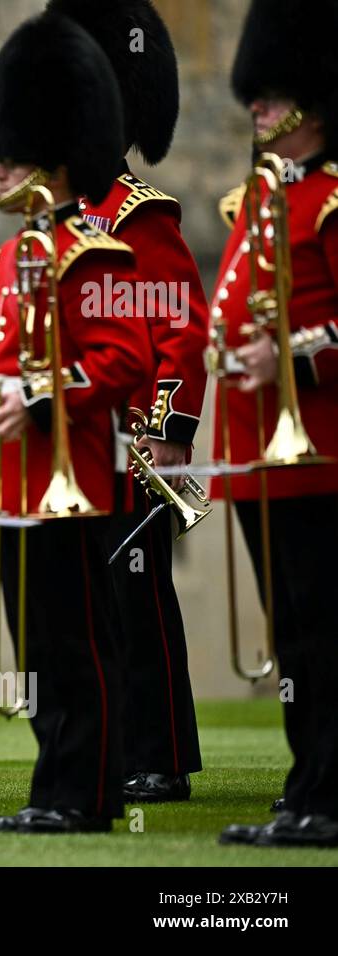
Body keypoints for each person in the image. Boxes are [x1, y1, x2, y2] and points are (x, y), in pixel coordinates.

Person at [0, 11, 149, 834]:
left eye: (7, 154)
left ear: (52, 153)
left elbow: (126, 362)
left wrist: (38, 398)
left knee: (79, 640)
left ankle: (89, 791)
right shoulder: (12, 256)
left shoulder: (99, 251)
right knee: (38, 640)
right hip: (17, 476)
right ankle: (54, 785)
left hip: (75, 469)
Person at [48, 0, 209, 804]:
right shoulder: (64, 219)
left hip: (137, 442)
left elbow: (181, 327)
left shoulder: (137, 215)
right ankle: (110, 750)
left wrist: (171, 431)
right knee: (87, 609)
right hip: (76, 442)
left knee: (136, 598)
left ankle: (161, 754)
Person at [215, 0, 338, 849]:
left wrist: (289, 359)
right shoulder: (260, 204)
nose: (256, 108)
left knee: (325, 632)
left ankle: (328, 795)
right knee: (293, 636)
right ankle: (307, 787)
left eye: (271, 95)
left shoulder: (329, 202)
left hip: (322, 450)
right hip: (263, 453)